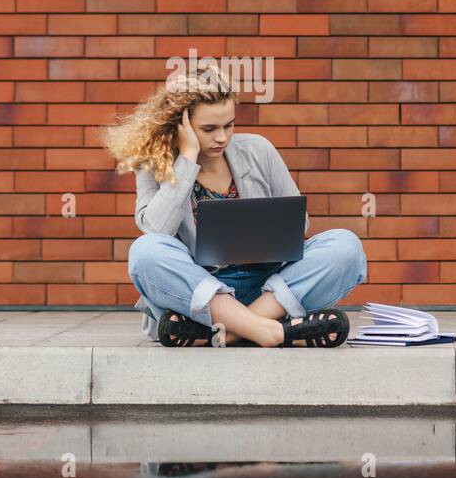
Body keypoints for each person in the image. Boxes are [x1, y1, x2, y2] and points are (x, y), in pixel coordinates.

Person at [101, 64, 367, 348]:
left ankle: (231, 331)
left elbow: (298, 223)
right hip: (201, 289)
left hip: (270, 286)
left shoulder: (259, 149)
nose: (222, 138)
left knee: (345, 246)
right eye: (209, 128)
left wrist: (262, 232)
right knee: (145, 252)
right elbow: (156, 229)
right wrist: (187, 159)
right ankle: (272, 331)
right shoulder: (153, 164)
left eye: (228, 125)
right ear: (182, 124)